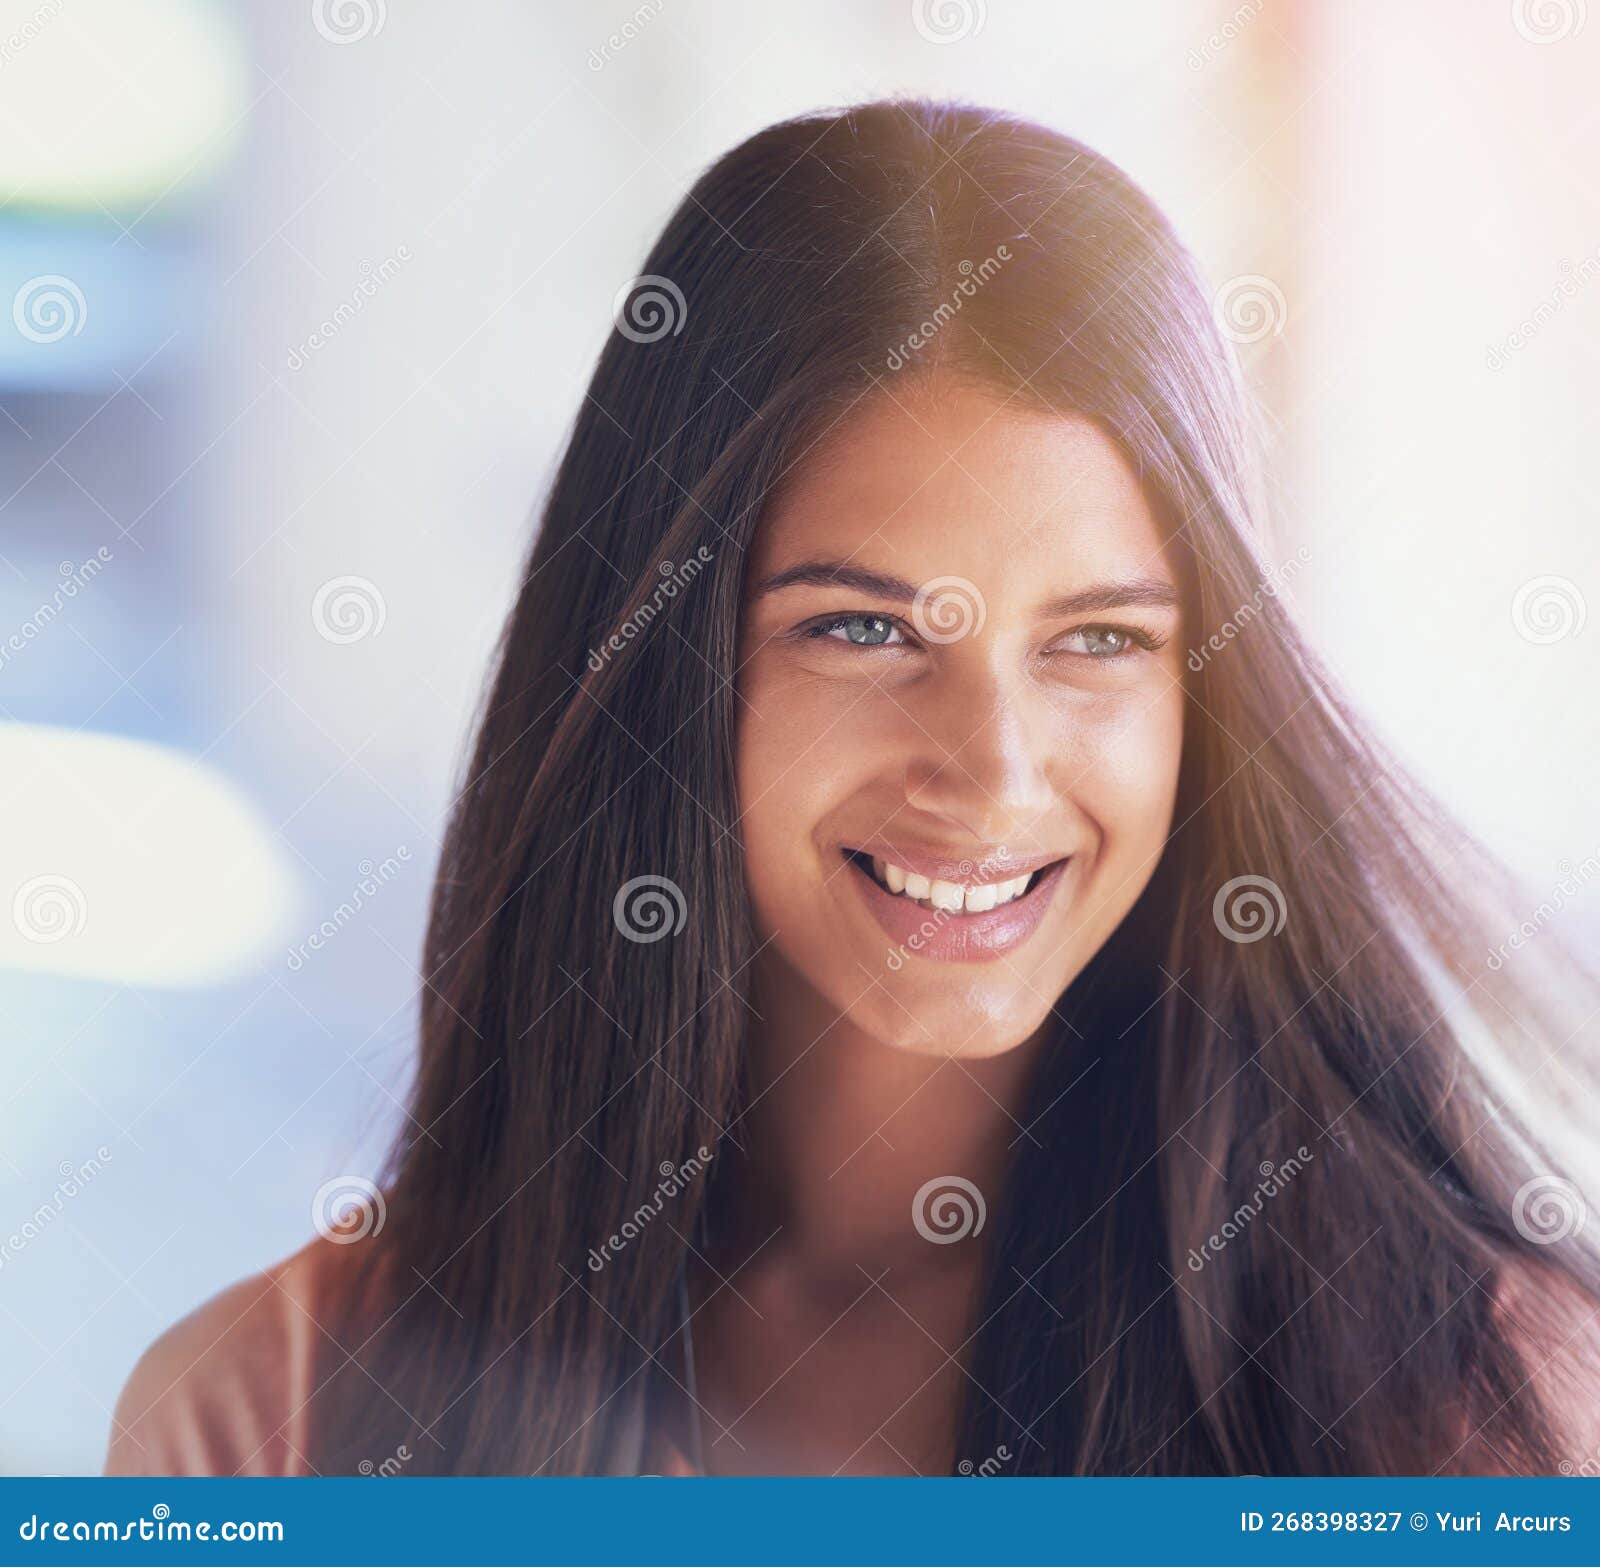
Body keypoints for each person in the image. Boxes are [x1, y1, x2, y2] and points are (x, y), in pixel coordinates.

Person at [108, 99, 1600, 1479]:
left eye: (1098, 640)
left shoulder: (1483, 1396)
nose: (996, 769)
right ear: (656, 664)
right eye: (863, 629)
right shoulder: (269, 1418)